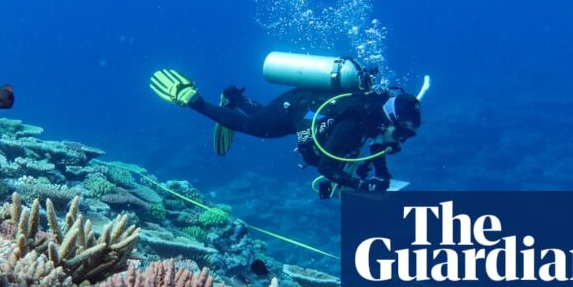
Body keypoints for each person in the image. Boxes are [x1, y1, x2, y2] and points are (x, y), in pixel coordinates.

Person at [149, 68, 421, 198]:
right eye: (402, 135)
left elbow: (376, 147)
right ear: (390, 121)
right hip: (298, 106)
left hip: (305, 110)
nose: (401, 142)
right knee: (255, 128)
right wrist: (362, 185)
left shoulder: (375, 119)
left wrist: (383, 176)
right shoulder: (355, 125)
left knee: (267, 120)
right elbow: (326, 166)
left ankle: (235, 97)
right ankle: (195, 101)